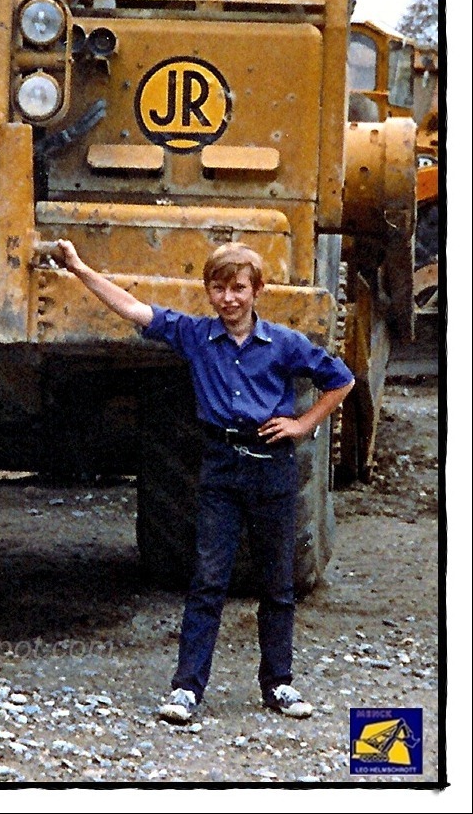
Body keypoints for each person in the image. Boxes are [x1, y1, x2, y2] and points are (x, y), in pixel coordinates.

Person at [53, 237, 354, 725]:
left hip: (273, 468)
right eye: (219, 288)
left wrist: (303, 424)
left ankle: (279, 683)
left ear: (257, 290)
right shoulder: (194, 335)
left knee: (277, 583)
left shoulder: (286, 344)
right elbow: (131, 308)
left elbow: (341, 380)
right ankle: (187, 689)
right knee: (208, 579)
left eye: (238, 288)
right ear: (208, 292)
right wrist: (80, 267)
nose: (229, 298)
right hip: (220, 466)